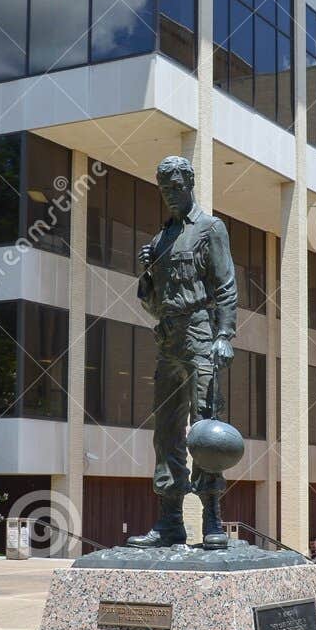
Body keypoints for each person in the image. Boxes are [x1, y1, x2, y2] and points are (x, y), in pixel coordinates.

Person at [125, 156, 237, 549]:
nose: (170, 194)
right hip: (168, 339)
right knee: (166, 433)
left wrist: (224, 334)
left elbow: (225, 285)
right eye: (164, 188)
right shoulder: (160, 238)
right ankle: (170, 522)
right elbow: (153, 306)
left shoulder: (210, 228)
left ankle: (212, 518)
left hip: (200, 333)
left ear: (189, 184)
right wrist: (148, 274)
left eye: (176, 186)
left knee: (205, 427)